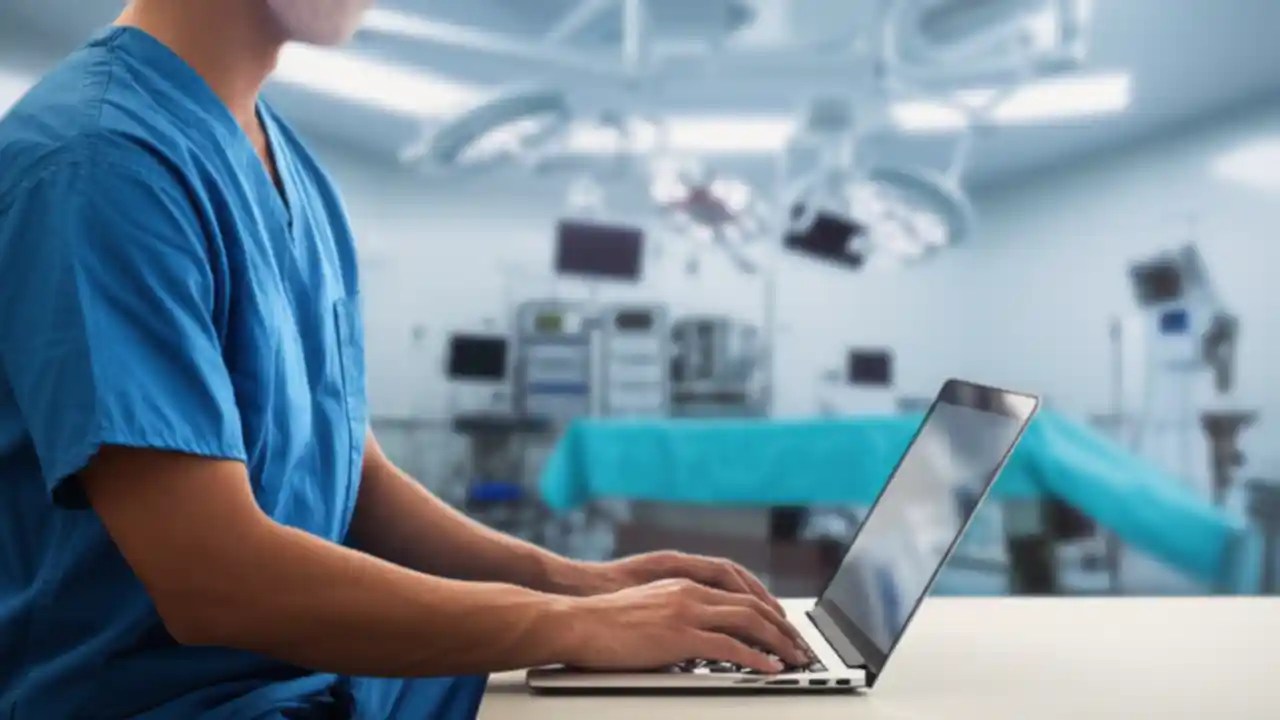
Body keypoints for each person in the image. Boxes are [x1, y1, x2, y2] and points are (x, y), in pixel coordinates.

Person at [0, 1, 811, 718]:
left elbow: (353, 478)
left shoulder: (285, 163)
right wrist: (575, 626)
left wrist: (574, 582)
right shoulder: (100, 167)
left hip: (326, 680)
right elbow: (214, 579)